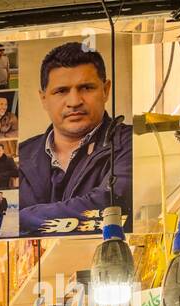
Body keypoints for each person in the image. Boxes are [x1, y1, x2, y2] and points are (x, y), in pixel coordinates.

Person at [18, 41, 133, 235]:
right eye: (61, 91)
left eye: (86, 88)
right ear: (43, 98)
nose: (74, 102)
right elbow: (1, 226)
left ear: (106, 90)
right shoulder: (19, 157)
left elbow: (109, 206)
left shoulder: (130, 143)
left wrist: (22, 218)